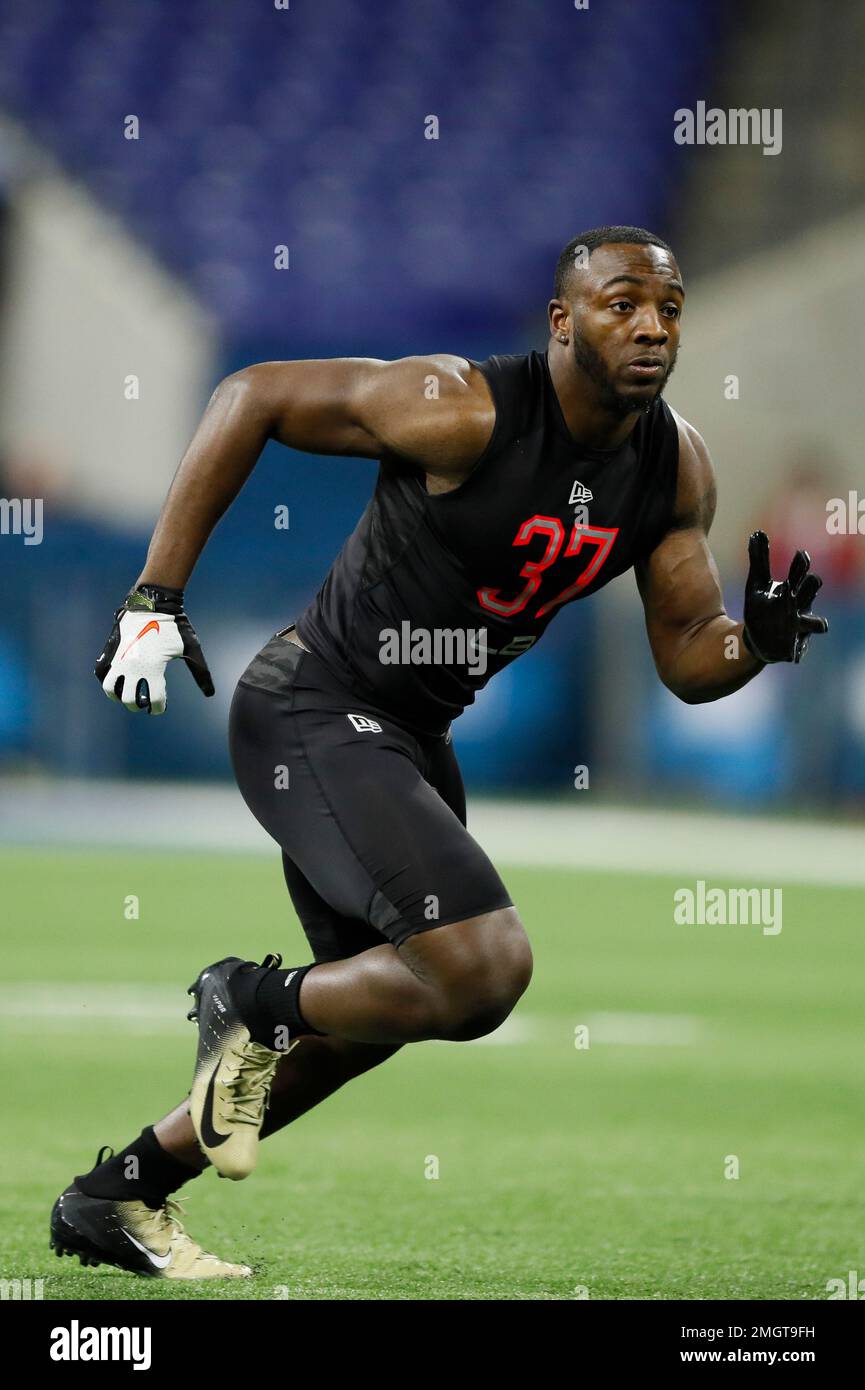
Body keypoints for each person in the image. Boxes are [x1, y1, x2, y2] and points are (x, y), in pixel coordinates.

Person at [50, 226, 828, 1278]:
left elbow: (690, 655)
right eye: (621, 303)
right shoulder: (463, 407)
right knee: (479, 969)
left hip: (409, 735)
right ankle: (248, 997)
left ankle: (120, 1193)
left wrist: (755, 643)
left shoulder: (672, 463)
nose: (650, 327)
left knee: (379, 1010)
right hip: (314, 708)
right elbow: (253, 395)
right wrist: (156, 596)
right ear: (562, 321)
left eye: (669, 307)